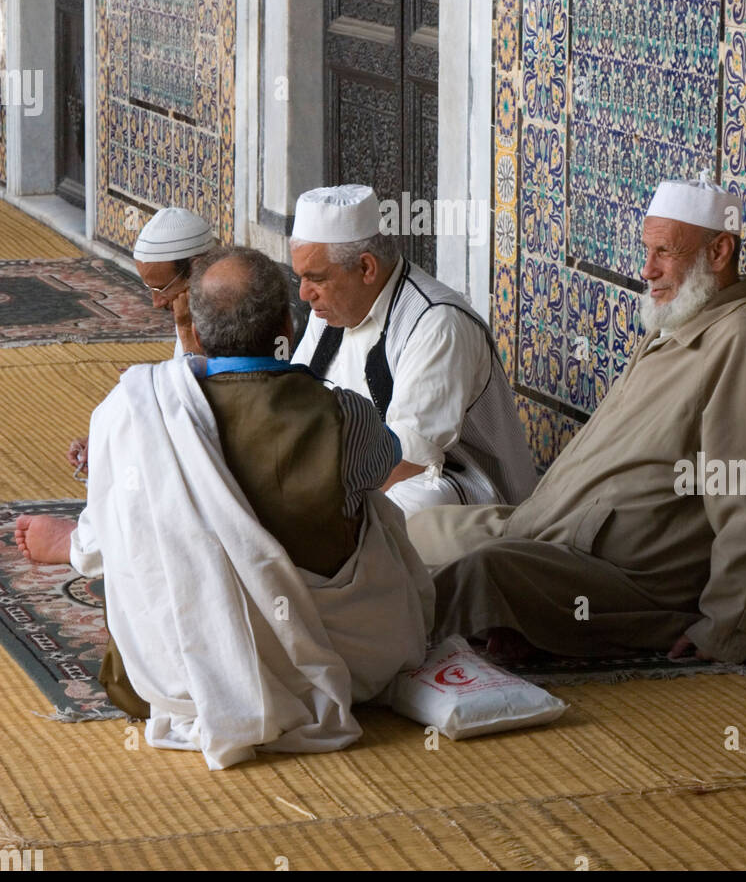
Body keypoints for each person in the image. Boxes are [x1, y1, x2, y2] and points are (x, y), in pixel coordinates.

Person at [16, 246, 433, 769]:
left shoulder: (138, 409)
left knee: (136, 514)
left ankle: (78, 547)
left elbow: (123, 531)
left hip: (180, 676)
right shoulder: (344, 415)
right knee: (378, 509)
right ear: (287, 322)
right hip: (343, 660)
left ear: (196, 330)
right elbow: (392, 458)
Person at [406, 174, 746, 667]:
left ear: (719, 252)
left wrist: (730, 625)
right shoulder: (681, 319)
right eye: (647, 251)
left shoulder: (741, 342)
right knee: (413, 529)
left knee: (484, 572)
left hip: (622, 575)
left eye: (664, 253)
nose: (647, 270)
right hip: (549, 530)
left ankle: (368, 654)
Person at [289, 184, 538, 518]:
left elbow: (407, 462)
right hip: (354, 477)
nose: (304, 294)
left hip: (464, 492)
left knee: (417, 502)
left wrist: (313, 505)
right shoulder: (329, 310)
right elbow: (296, 407)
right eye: (300, 278)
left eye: (315, 278)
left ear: (366, 268)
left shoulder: (436, 323)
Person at [65, 207, 215, 472]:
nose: (156, 303)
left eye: (161, 288)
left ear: (196, 268)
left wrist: (184, 330)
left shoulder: (233, 311)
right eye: (150, 289)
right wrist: (105, 438)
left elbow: (203, 410)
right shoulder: (192, 303)